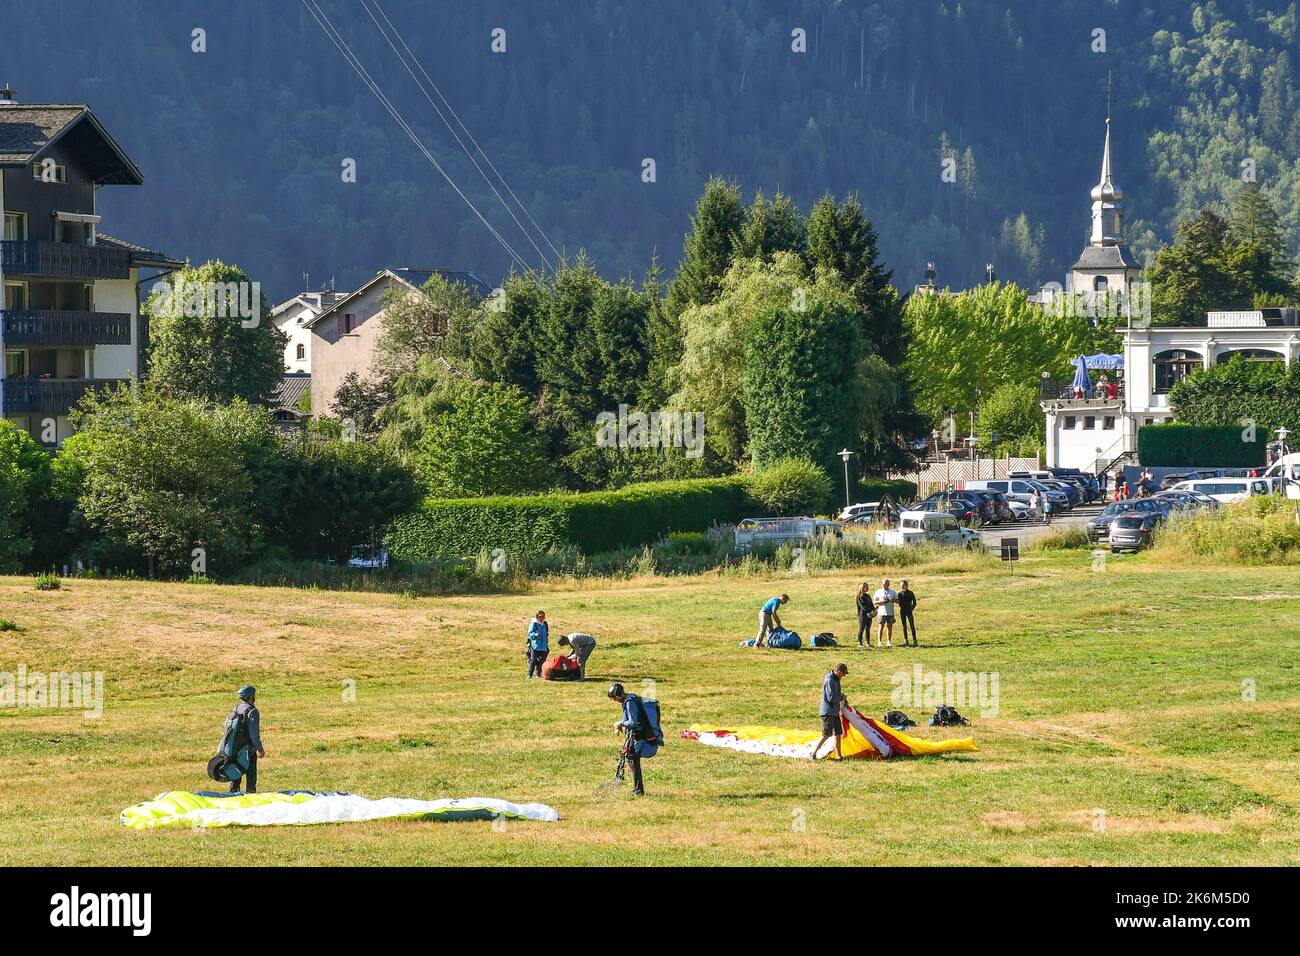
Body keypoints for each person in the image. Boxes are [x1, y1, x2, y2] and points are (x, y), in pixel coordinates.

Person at [609, 683, 649, 796]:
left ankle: (638, 790)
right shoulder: (628, 699)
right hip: (636, 734)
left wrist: (621, 724)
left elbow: (633, 721)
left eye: (614, 697)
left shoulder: (629, 703)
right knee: (632, 760)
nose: (614, 700)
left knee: (633, 760)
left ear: (618, 695)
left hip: (638, 735)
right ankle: (637, 788)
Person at [226, 685, 265, 793]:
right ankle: (251, 799)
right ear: (251, 696)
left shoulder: (235, 709)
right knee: (251, 778)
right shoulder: (252, 712)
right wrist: (260, 749)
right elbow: (254, 736)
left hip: (234, 749)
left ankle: (232, 796)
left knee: (235, 776)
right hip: (248, 751)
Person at [811, 663, 849, 760]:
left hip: (834, 711)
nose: (843, 676)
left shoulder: (836, 680)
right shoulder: (829, 680)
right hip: (827, 712)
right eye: (843, 674)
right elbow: (831, 698)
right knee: (827, 734)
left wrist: (843, 699)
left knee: (838, 733)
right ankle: (813, 752)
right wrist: (841, 697)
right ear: (838, 671)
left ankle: (838, 755)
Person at [872, 579, 897, 648]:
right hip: (881, 612)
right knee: (881, 626)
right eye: (884, 584)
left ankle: (889, 642)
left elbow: (898, 600)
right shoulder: (878, 592)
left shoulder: (892, 592)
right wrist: (882, 601)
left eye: (886, 584)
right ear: (882, 584)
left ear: (889, 584)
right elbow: (874, 602)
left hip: (890, 612)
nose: (885, 585)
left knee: (890, 627)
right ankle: (879, 642)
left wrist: (892, 600)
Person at [525, 610, 549, 679]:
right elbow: (529, 634)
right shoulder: (534, 624)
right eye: (540, 616)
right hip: (535, 645)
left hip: (543, 646)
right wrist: (535, 635)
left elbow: (546, 633)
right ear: (537, 617)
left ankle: (538, 674)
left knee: (542, 661)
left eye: (543, 616)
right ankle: (529, 675)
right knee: (533, 661)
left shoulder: (545, 624)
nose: (542, 618)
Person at [897, 580, 919, 647]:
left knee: (912, 625)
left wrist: (911, 609)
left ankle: (914, 640)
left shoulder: (910, 593)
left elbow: (914, 602)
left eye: (903, 585)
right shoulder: (900, 593)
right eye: (901, 585)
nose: (902, 586)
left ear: (906, 585)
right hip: (902, 611)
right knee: (904, 626)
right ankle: (906, 640)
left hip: (909, 611)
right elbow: (899, 602)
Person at [854, 582, 875, 648]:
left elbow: (871, 604)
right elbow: (863, 607)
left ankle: (867, 643)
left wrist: (874, 610)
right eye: (866, 586)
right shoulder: (859, 596)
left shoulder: (868, 596)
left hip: (869, 614)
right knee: (861, 628)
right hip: (862, 615)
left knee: (868, 629)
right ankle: (859, 642)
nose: (867, 587)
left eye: (867, 586)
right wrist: (870, 611)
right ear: (862, 588)